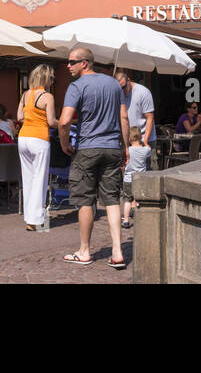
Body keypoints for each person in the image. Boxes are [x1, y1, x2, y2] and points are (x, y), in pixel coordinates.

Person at [58, 46, 129, 269]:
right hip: (111, 148)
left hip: (87, 148)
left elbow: (64, 121)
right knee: (111, 198)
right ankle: (117, 251)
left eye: (71, 62)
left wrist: (64, 143)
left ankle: (85, 251)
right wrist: (125, 147)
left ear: (84, 63)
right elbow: (123, 117)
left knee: (85, 199)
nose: (68, 66)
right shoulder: (113, 84)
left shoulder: (76, 86)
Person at [17, 63, 58, 232]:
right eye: (52, 78)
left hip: (23, 138)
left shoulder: (25, 94)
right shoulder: (47, 96)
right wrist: (65, 123)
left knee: (28, 179)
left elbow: (19, 116)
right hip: (39, 138)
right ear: (46, 78)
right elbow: (51, 122)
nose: (53, 81)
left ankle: (29, 219)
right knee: (40, 179)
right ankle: (38, 221)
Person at [114, 70, 155, 147]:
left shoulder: (143, 92)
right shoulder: (117, 95)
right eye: (119, 89)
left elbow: (150, 118)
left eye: (124, 87)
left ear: (128, 80)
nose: (122, 91)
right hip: (127, 141)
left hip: (144, 139)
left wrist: (145, 141)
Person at [121, 126, 151, 230]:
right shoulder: (145, 150)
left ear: (129, 138)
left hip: (128, 179)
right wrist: (145, 142)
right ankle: (140, 219)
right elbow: (149, 148)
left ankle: (125, 220)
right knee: (139, 200)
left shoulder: (127, 151)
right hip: (140, 179)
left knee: (127, 200)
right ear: (141, 136)